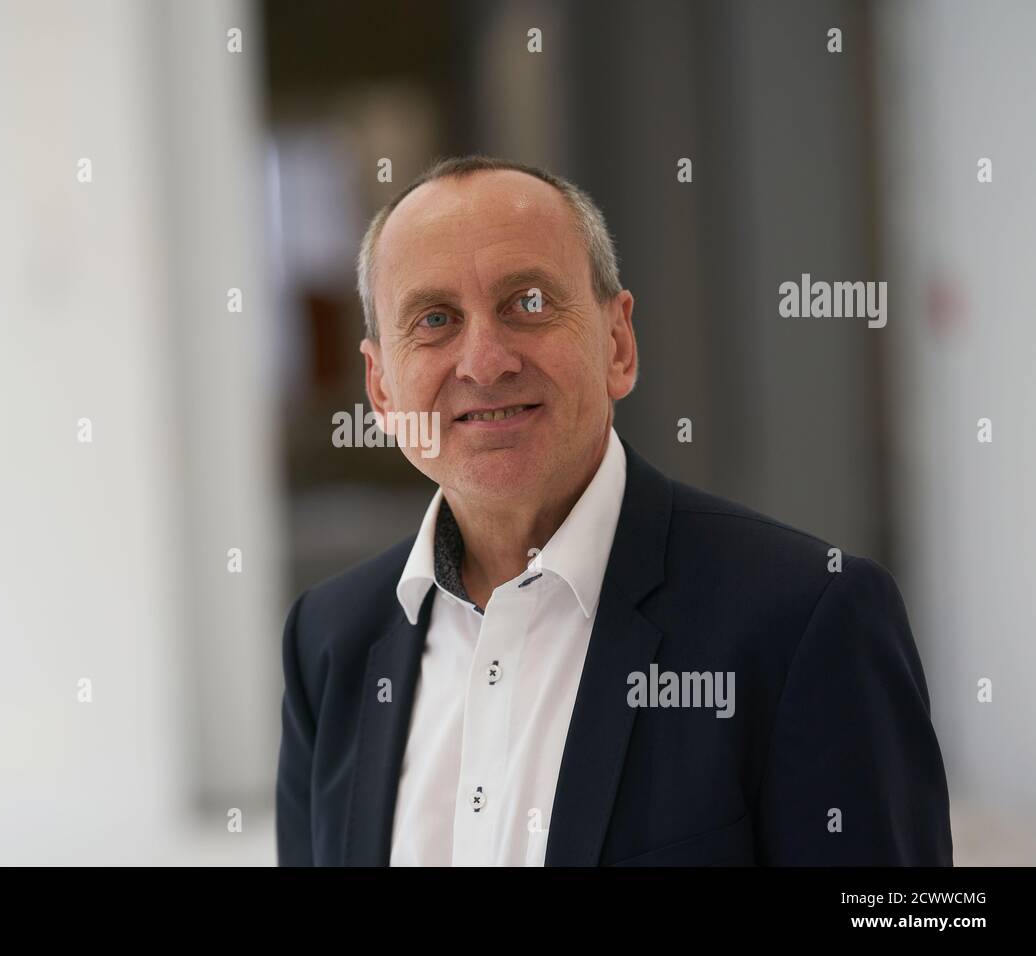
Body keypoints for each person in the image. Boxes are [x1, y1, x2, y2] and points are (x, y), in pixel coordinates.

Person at [276, 155, 952, 866]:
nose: (484, 361)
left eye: (527, 303)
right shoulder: (329, 642)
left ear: (617, 344)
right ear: (381, 389)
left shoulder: (805, 619)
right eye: (435, 319)